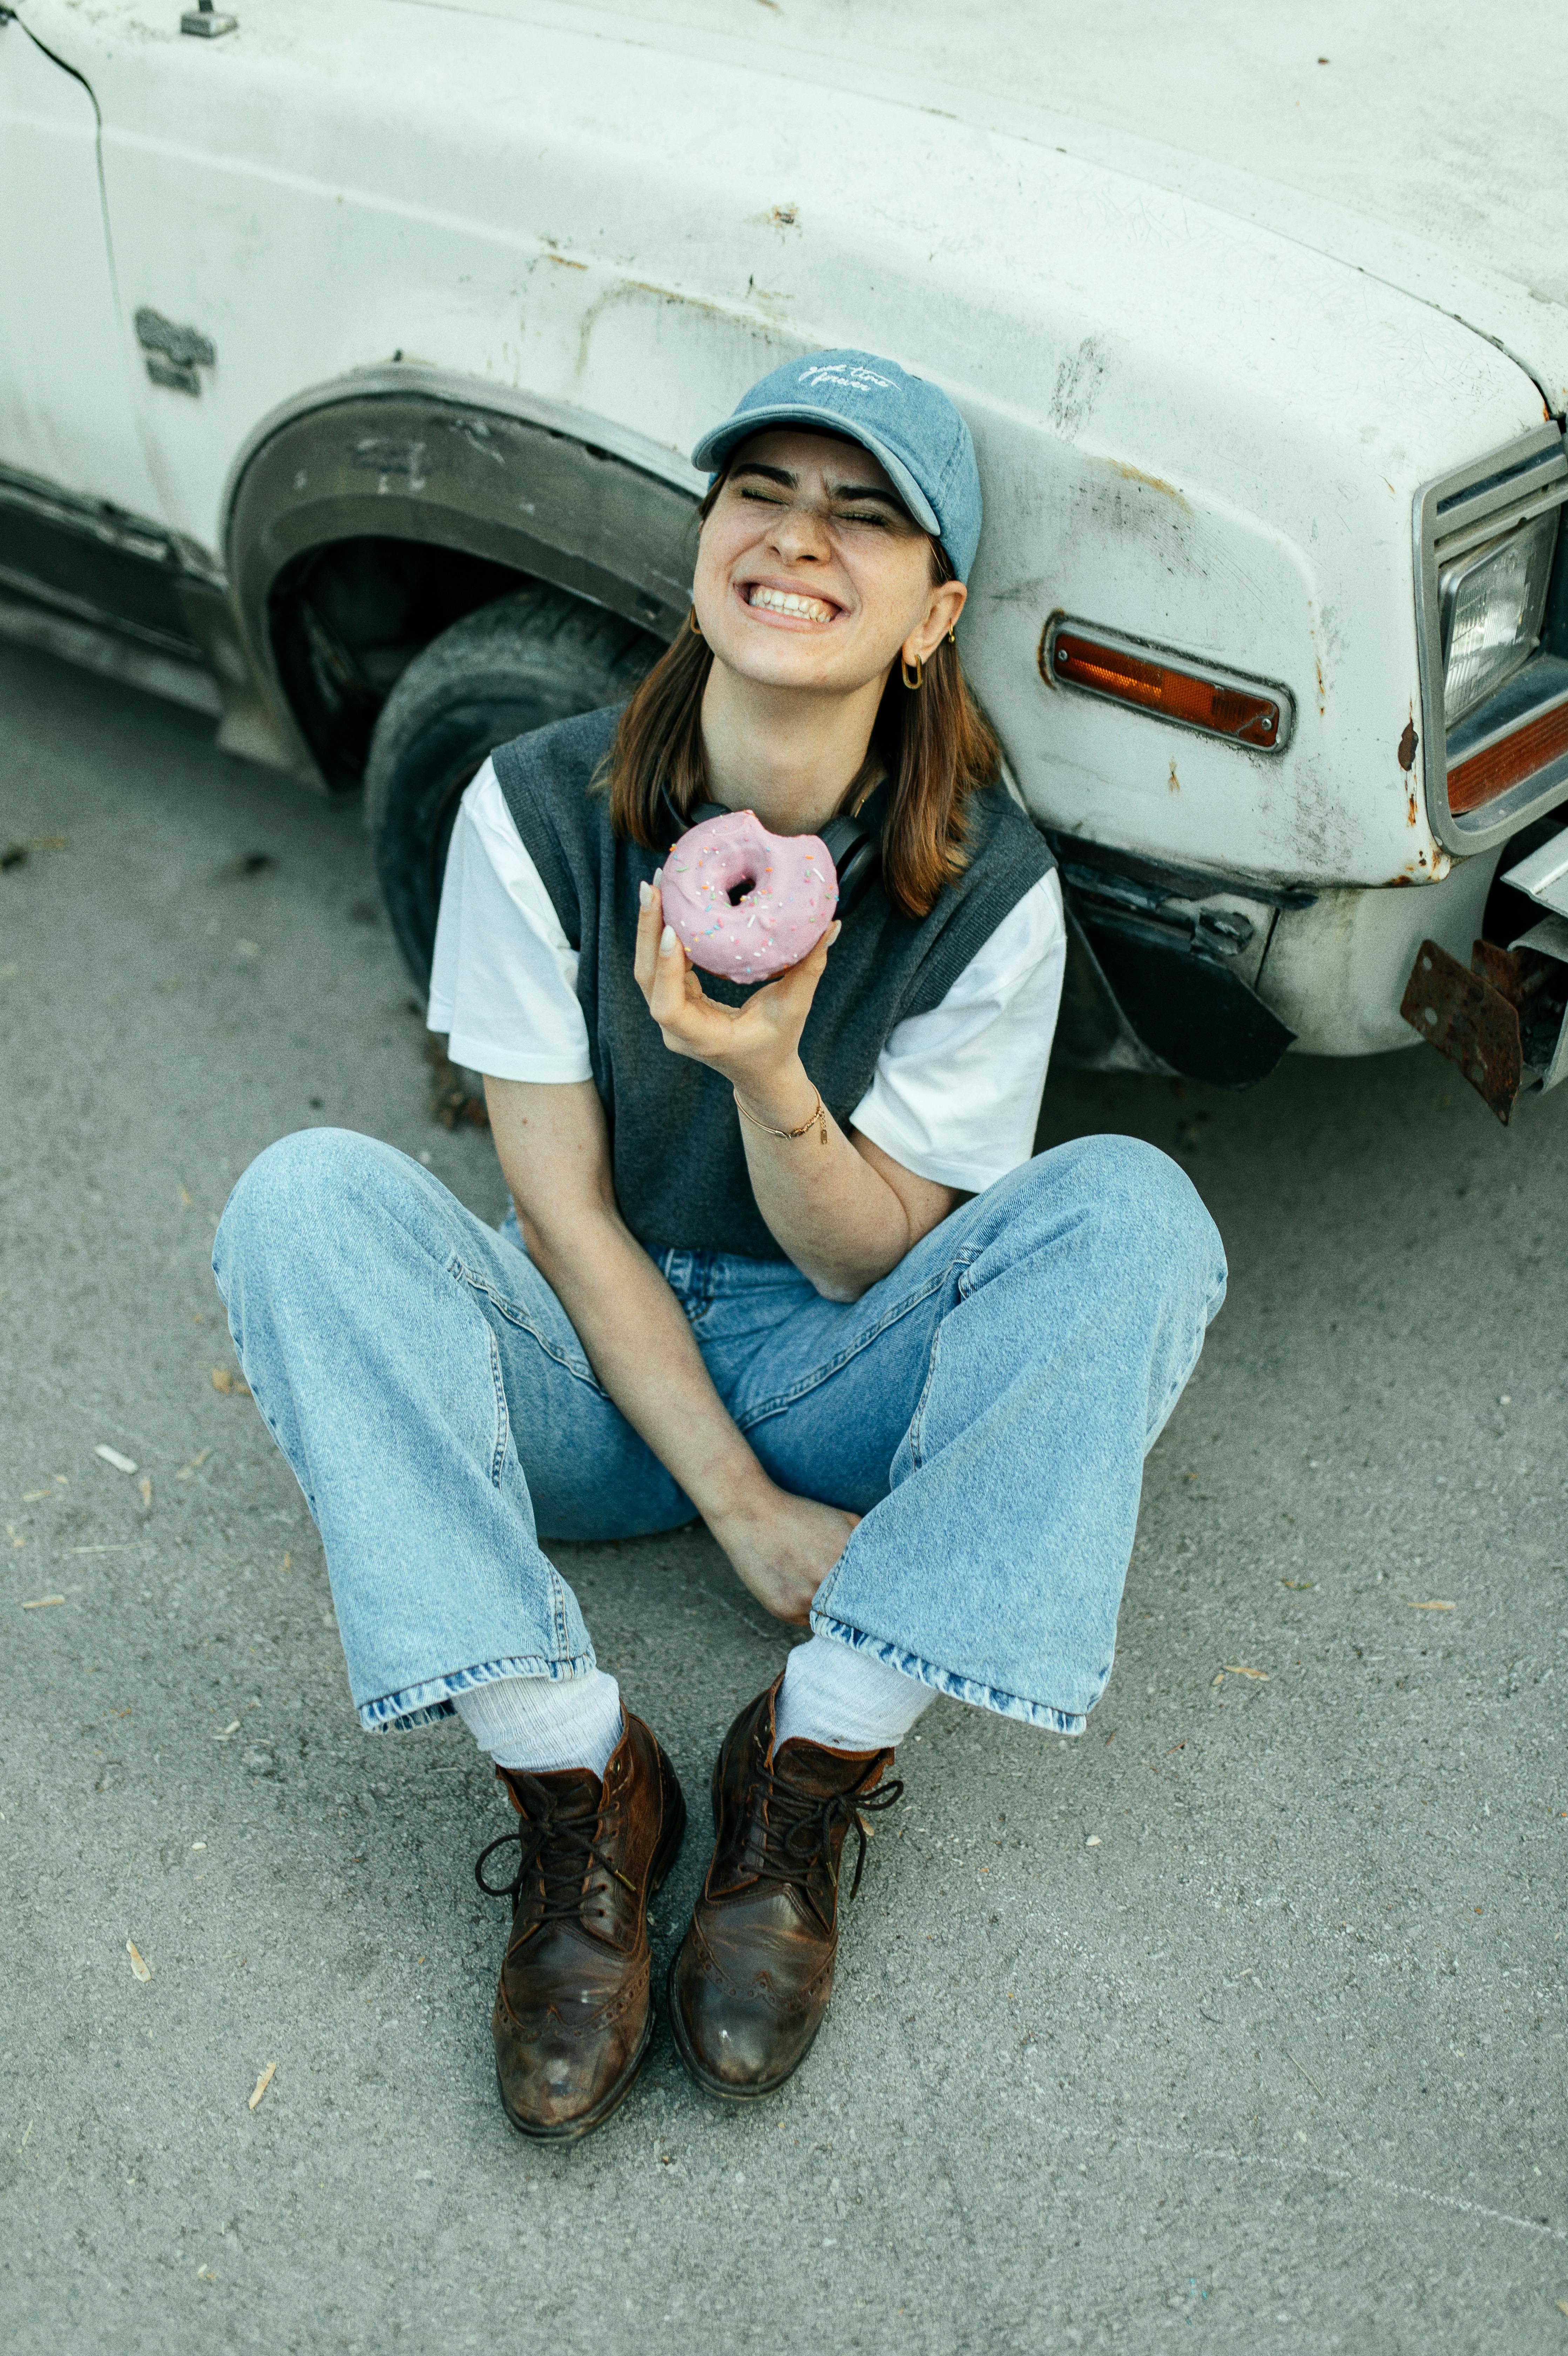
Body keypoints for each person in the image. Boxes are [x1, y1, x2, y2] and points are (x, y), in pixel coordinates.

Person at [214, 350, 1226, 2144]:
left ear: (933, 616)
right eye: (761, 492)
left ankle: (813, 1755)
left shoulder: (987, 888)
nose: (798, 538)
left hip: (839, 1368)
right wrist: (743, 1511)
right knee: (299, 1202)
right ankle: (576, 1780)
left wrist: (768, 1076)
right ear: (704, 547)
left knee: (1137, 1218)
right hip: (590, 1376)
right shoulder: (536, 811)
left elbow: (862, 1264)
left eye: (864, 515)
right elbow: (562, 1213)